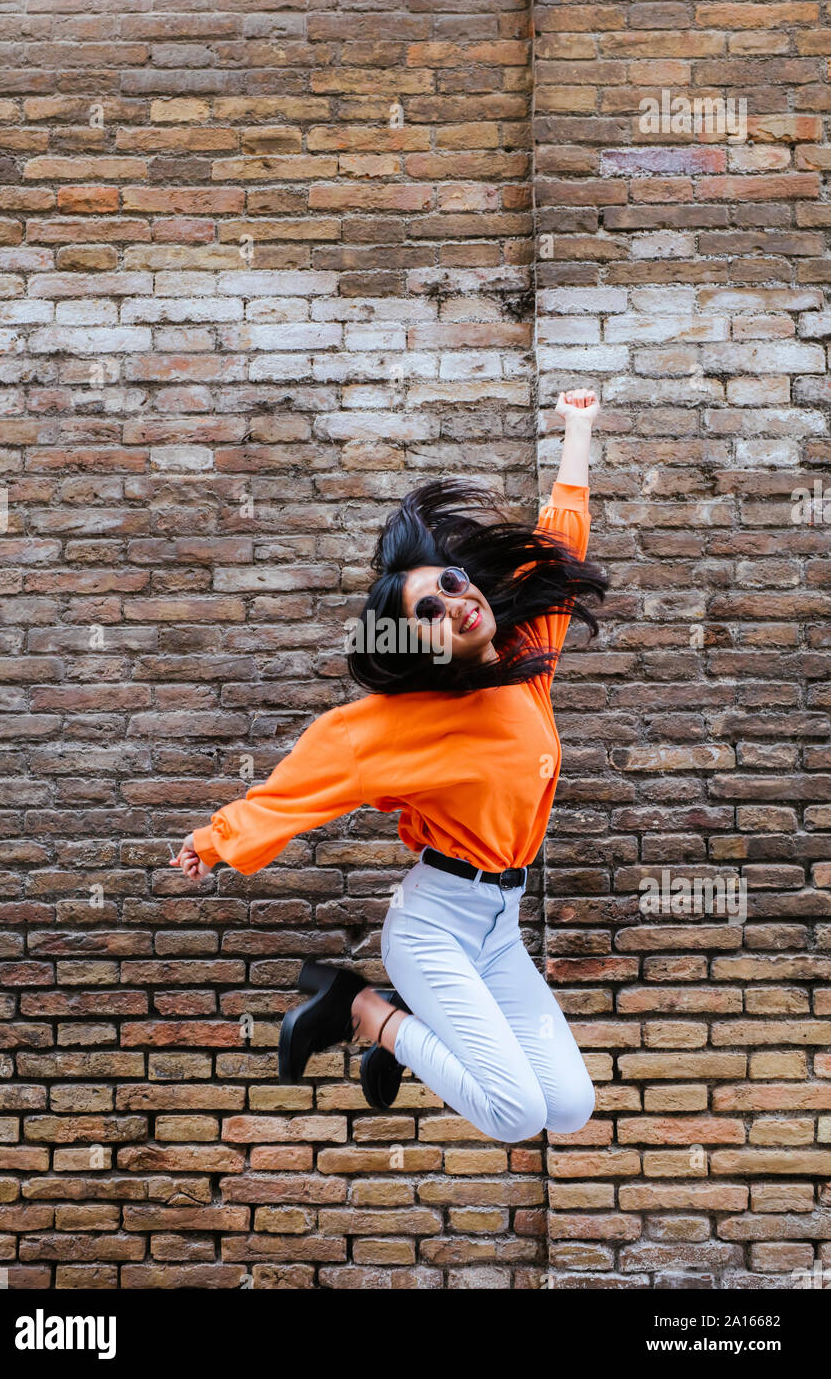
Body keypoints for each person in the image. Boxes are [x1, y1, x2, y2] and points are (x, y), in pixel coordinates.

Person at [172, 389, 607, 1144]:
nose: (454, 604)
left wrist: (578, 428)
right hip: (434, 925)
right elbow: (313, 772)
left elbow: (559, 542)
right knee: (515, 1114)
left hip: (500, 925)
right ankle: (361, 1010)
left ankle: (386, 1030)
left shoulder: (525, 665)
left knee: (569, 1110)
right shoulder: (399, 729)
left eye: (448, 585)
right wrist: (217, 839)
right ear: (422, 649)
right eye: (428, 615)